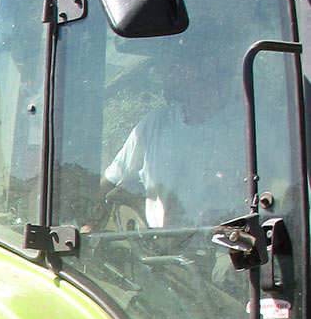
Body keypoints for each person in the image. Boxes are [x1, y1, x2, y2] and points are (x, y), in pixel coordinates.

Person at [102, 79, 244, 229]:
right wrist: (88, 227)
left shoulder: (241, 129)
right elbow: (109, 182)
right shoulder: (155, 124)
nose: (161, 73)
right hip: (162, 245)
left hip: (226, 246)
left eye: (177, 64)